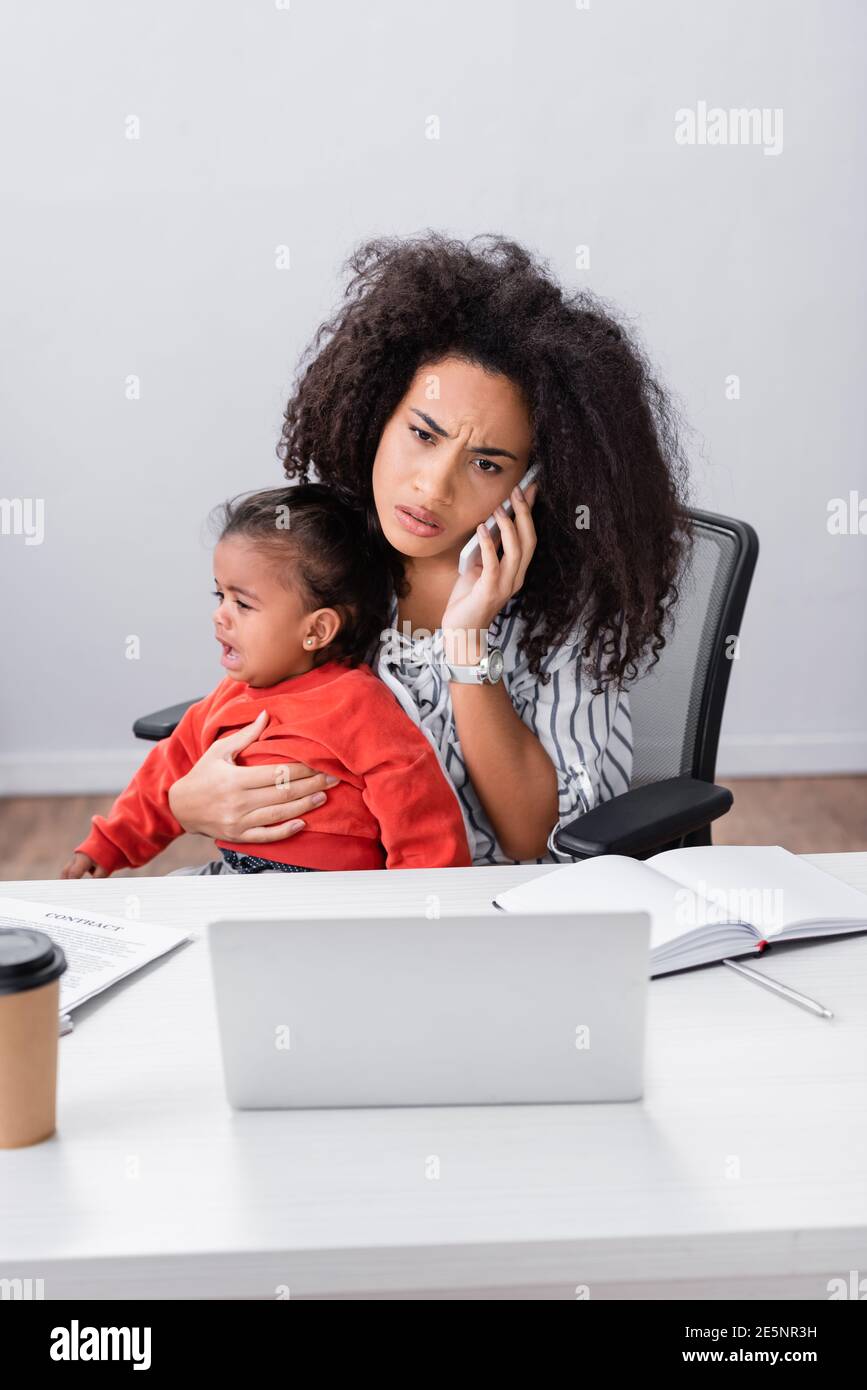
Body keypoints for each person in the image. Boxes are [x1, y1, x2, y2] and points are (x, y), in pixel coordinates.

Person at [165, 234, 690, 867]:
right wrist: (184, 802)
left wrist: (468, 641)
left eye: (487, 464)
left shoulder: (564, 609)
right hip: (278, 893)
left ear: (536, 485)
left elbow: (536, 841)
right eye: (422, 434)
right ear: (376, 414)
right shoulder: (324, 556)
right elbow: (242, 719)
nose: (433, 487)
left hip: (463, 919)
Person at [60, 485, 472, 877]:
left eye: (242, 603)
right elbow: (165, 775)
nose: (220, 614)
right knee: (174, 893)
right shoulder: (226, 699)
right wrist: (107, 845)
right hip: (236, 874)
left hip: (336, 892)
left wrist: (422, 900)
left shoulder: (356, 703)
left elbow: (417, 804)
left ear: (317, 630)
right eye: (219, 596)